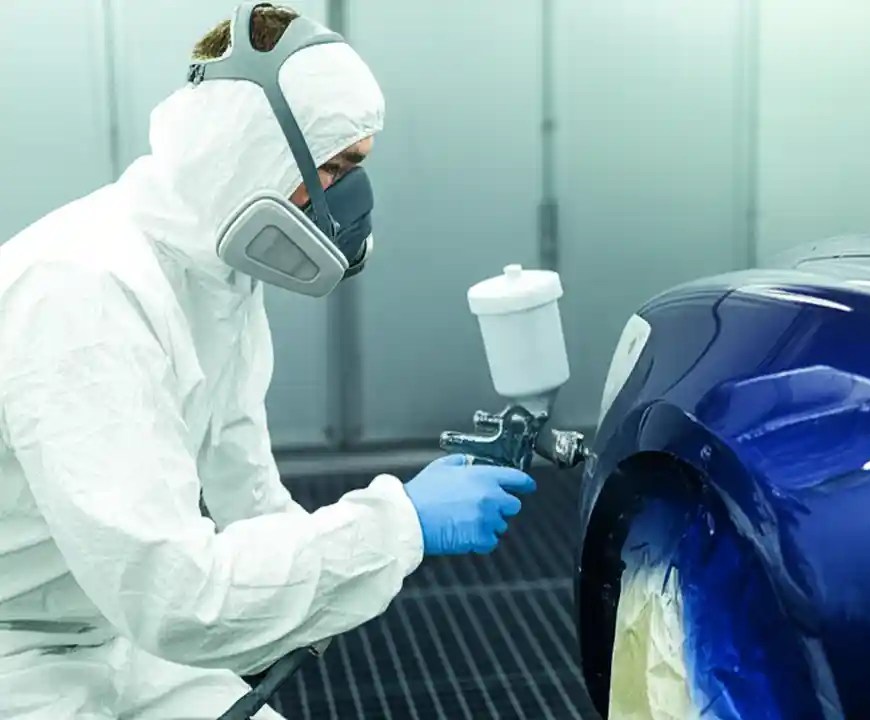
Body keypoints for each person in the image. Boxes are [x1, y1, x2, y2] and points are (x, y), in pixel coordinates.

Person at [0, 3, 535, 718]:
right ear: (253, 150)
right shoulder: (86, 292)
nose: (349, 201)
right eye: (336, 167)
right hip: (20, 655)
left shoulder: (217, 280)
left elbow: (248, 505)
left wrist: (381, 540)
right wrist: (399, 521)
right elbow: (178, 596)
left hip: (107, 629)